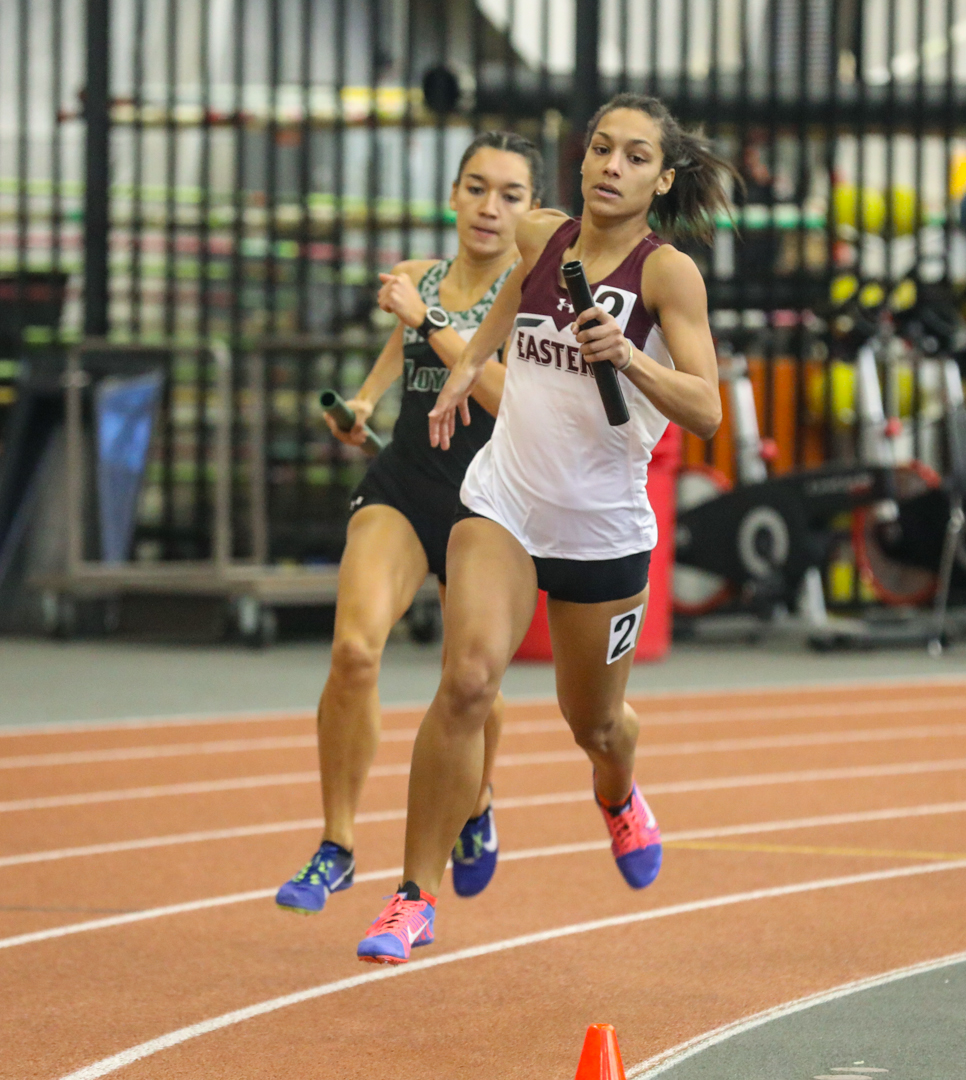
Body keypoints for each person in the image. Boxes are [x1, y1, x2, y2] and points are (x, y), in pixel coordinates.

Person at [353, 93, 731, 964]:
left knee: (592, 725)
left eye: (636, 157)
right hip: (506, 501)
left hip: (600, 526)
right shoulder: (542, 236)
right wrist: (469, 365)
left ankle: (619, 791)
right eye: (602, 149)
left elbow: (708, 409)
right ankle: (413, 895)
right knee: (470, 680)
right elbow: (511, 302)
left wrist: (629, 355)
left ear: (661, 178)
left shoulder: (666, 274)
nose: (611, 167)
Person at [274, 132, 545, 916]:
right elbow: (398, 362)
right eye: (476, 188)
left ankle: (478, 798)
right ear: (453, 195)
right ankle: (336, 843)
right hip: (403, 486)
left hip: (487, 504)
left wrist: (427, 318)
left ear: (533, 211)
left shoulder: (531, 297)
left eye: (511, 194)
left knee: (472, 685)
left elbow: (500, 395)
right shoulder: (422, 278)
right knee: (355, 651)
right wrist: (359, 408)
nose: (490, 208)